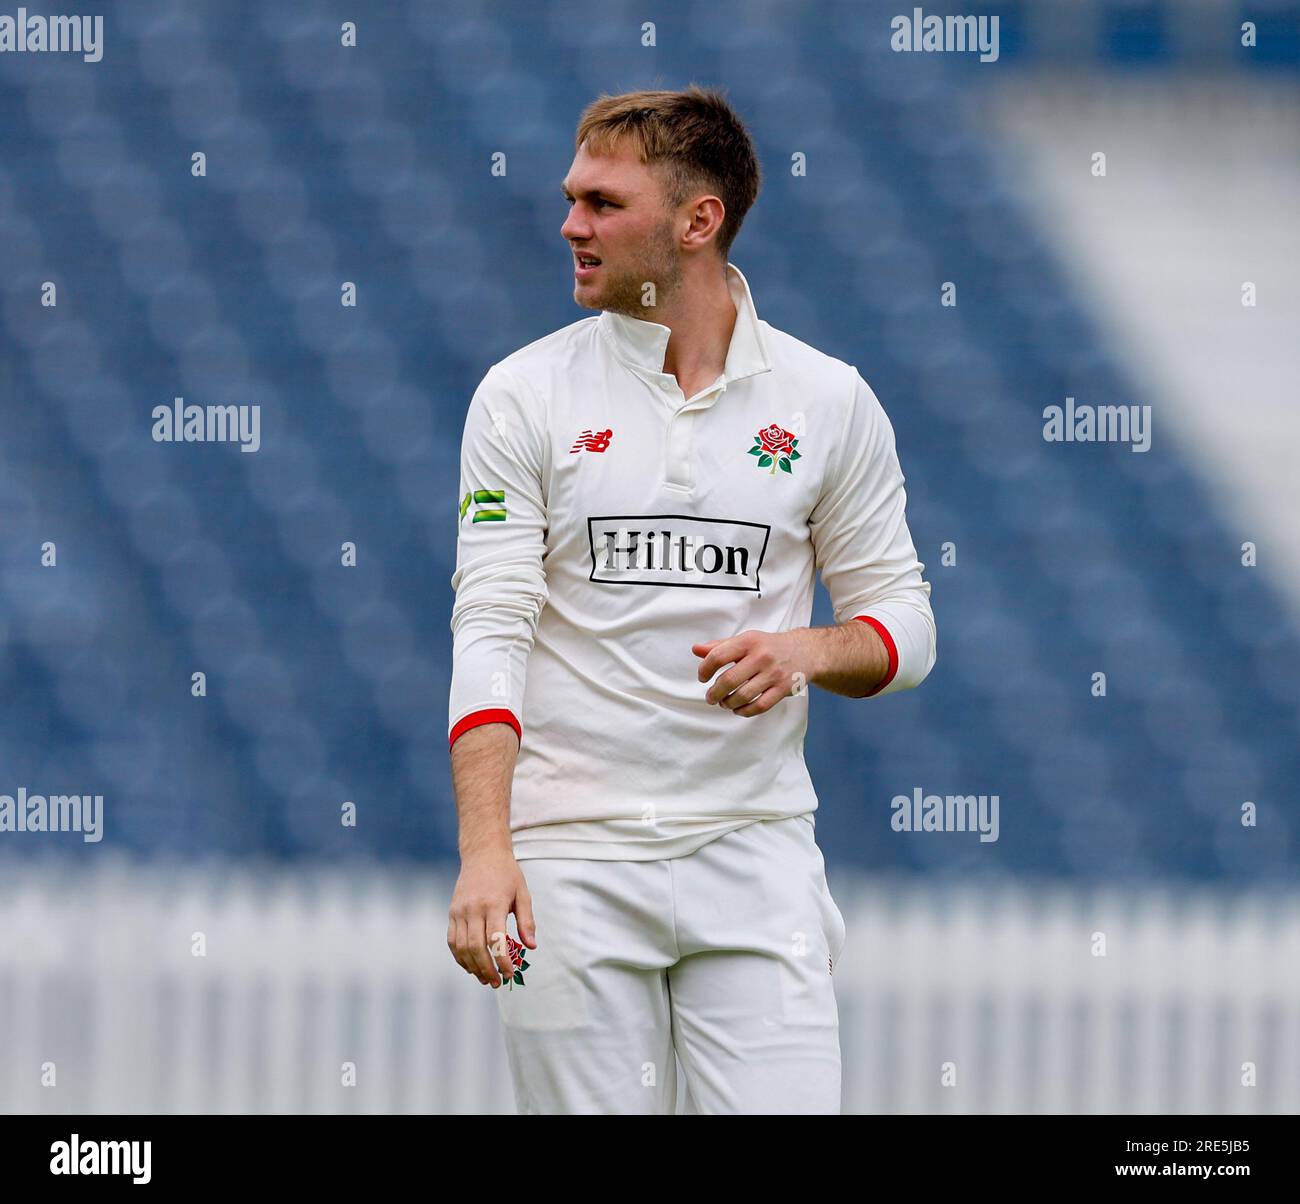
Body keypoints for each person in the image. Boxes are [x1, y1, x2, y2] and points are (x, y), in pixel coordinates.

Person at [446, 84, 936, 1114]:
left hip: (753, 852)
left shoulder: (828, 399)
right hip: (570, 856)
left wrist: (805, 652)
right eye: (572, 198)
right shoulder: (522, 395)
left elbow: (906, 625)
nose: (570, 225)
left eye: (602, 202)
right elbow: (490, 622)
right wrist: (487, 851)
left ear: (697, 220)